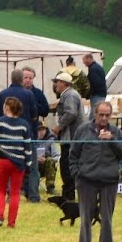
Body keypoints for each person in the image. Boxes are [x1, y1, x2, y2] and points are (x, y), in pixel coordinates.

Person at [69, 101, 122, 242]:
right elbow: (73, 154)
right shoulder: (82, 130)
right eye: (101, 114)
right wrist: (77, 174)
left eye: (107, 115)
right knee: (85, 216)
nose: (104, 118)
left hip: (109, 181)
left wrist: (112, 141)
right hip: (86, 180)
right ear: (94, 114)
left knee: (107, 217)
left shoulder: (116, 132)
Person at [0, 96, 33, 228]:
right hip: (19, 163)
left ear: (6, 108)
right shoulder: (25, 125)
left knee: (0, 191)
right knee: (15, 193)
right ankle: (11, 223)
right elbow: (28, 147)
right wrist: (28, 164)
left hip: (3, 160)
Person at [0, 68, 35, 206]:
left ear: (11, 79)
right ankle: (33, 194)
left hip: (5, 138)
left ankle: (7, 194)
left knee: (5, 170)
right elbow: (35, 113)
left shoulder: (3, 94)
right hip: (24, 135)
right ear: (22, 79)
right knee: (30, 167)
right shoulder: (28, 94)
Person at [52, 71, 84, 201]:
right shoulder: (70, 94)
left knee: (66, 166)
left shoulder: (69, 95)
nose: (56, 85)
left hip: (71, 137)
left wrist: (59, 126)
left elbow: (71, 113)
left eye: (57, 82)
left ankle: (68, 195)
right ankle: (68, 193)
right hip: (73, 137)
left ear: (64, 83)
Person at [20, 65, 49, 202]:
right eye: (25, 77)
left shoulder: (37, 93)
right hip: (15, 135)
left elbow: (46, 110)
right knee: (16, 165)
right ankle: (15, 193)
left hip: (31, 134)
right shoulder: (15, 91)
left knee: (32, 166)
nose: (27, 80)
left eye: (30, 78)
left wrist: (34, 108)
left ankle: (33, 195)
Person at [34, 123, 59, 195]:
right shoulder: (32, 141)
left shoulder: (51, 141)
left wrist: (46, 160)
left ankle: (50, 187)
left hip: (46, 168)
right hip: (33, 166)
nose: (41, 132)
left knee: (50, 160)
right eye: (39, 130)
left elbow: (57, 156)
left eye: (43, 129)